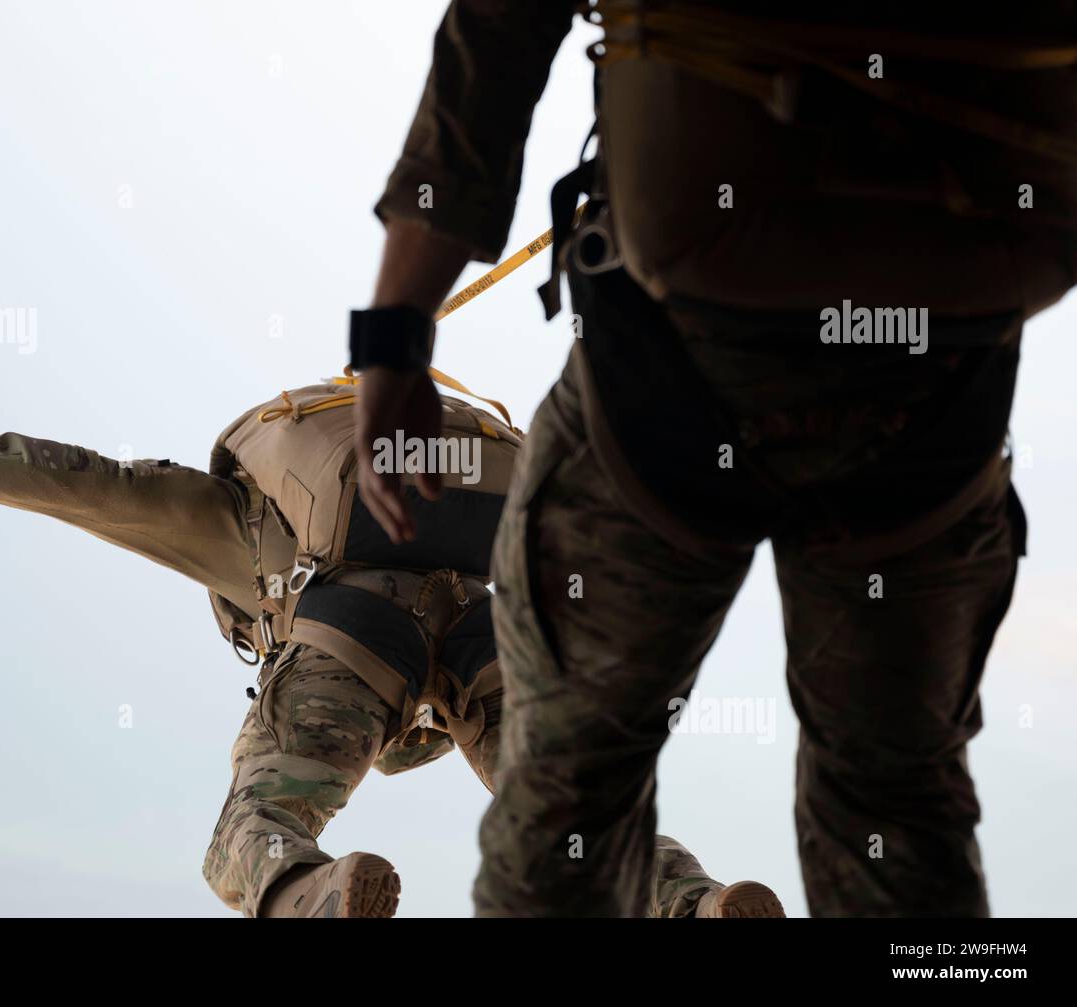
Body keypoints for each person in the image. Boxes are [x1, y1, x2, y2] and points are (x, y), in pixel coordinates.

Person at [352, 0, 1076, 916]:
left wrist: (395, 330)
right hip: (940, 380)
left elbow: (497, 31)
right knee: (902, 810)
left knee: (571, 797)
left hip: (668, 372)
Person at [0, 418, 783, 918]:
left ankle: (308, 890)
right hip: (497, 619)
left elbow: (95, 487)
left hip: (356, 621)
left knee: (253, 822)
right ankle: (692, 904)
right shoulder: (425, 465)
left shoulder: (244, 520)